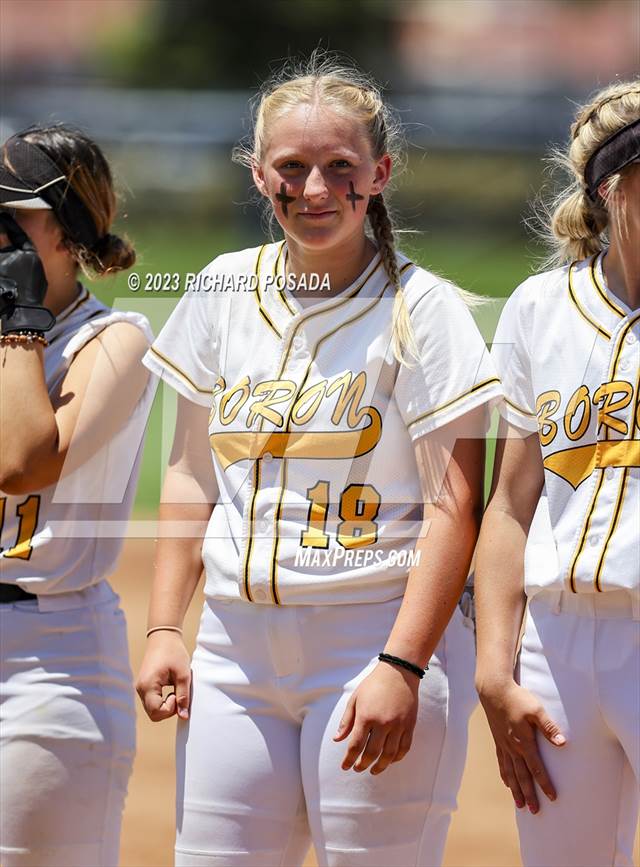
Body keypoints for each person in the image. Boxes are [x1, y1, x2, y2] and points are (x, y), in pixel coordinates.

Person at [137, 55, 501, 867]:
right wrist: (164, 626)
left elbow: (455, 505)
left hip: (370, 635)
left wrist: (402, 664)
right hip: (230, 651)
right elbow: (189, 473)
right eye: (292, 167)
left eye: (340, 167)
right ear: (258, 173)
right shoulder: (222, 288)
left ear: (380, 173)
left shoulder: (425, 309)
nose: (314, 189)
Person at [474, 80, 640, 867]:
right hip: (556, 646)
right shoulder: (539, 309)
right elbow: (510, 504)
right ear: (610, 188)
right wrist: (493, 667)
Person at [0, 125, 157, 867]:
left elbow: (24, 462)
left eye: (13, 214)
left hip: (46, 662)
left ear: (66, 232)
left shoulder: (115, 340)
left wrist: (21, 324)